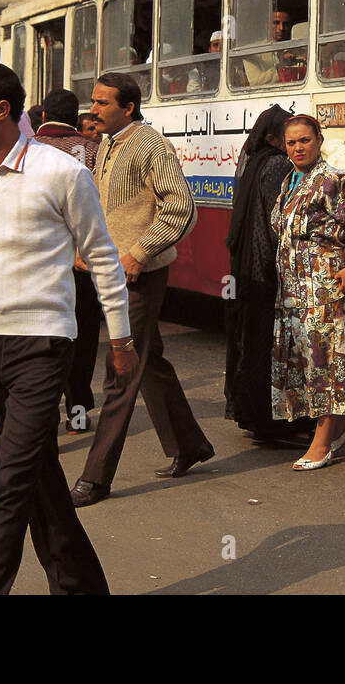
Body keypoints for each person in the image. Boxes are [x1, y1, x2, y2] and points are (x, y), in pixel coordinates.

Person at [0, 62, 133, 595]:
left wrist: (121, 341)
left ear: (1, 111)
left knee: (9, 488)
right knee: (39, 478)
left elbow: (102, 257)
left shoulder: (61, 172)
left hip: (43, 346)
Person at [68, 72, 213, 508]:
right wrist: (84, 246)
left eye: (101, 103)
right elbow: (103, 206)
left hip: (138, 276)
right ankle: (188, 445)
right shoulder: (108, 144)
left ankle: (95, 478)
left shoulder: (151, 144)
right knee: (149, 362)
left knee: (122, 369)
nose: (92, 111)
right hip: (107, 270)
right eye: (92, 102)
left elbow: (181, 208)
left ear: (128, 107)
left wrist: (139, 253)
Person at [270, 114, 345, 470]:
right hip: (293, 289)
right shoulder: (288, 181)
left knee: (326, 359)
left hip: (324, 284)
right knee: (305, 358)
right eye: (291, 143)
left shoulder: (333, 179)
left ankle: (323, 440)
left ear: (319, 139)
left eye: (305, 140)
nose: (298, 148)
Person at [223, 104, 311, 445]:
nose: (293, 145)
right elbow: (281, 222)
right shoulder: (276, 165)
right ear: (275, 138)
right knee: (272, 350)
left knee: (254, 344)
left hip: (247, 271)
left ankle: (255, 418)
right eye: (287, 138)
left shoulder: (250, 161)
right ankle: (273, 424)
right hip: (268, 271)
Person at [32, 87, 102, 435]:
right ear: (78, 119)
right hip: (82, 261)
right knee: (81, 334)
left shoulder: (26, 151)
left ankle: (40, 413)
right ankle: (77, 410)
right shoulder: (93, 150)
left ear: (43, 115)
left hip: (37, 261)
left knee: (42, 336)